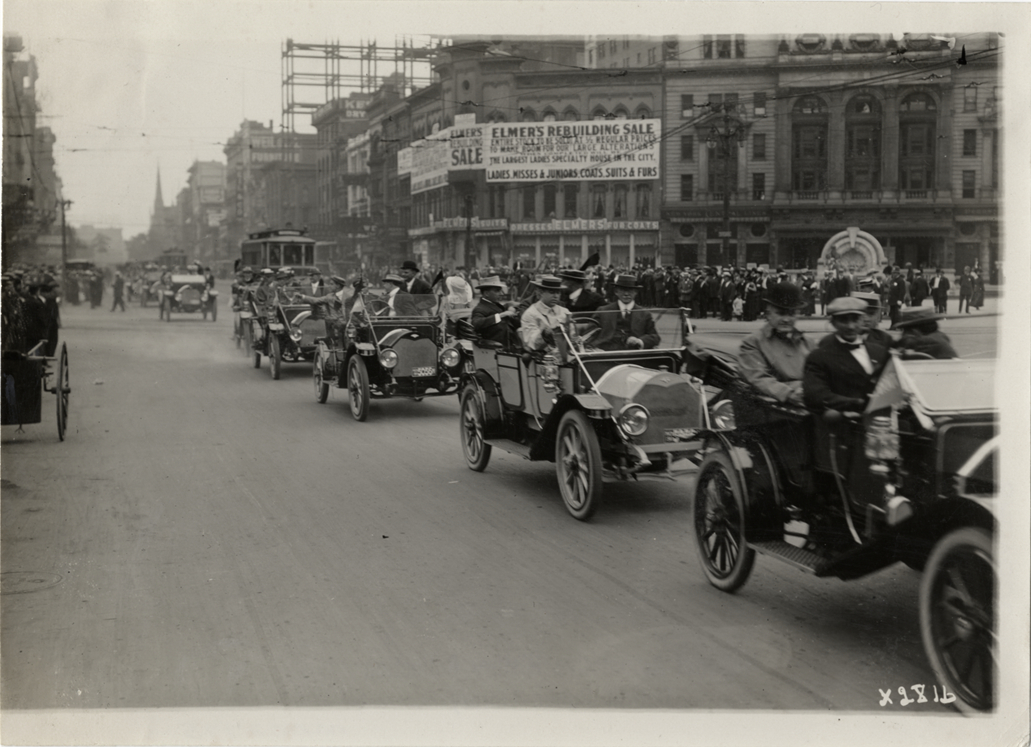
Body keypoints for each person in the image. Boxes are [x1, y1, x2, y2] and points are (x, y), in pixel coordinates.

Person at [803, 296, 891, 413]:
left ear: (862, 320)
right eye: (843, 320)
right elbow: (816, 394)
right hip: (846, 420)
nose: (850, 326)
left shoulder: (878, 351)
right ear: (833, 322)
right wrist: (855, 403)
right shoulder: (819, 356)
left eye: (855, 319)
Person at [738, 282, 813, 407]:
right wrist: (788, 394)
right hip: (781, 407)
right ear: (768, 314)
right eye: (780, 313)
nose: (786, 319)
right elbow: (758, 378)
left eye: (791, 314)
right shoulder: (753, 342)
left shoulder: (807, 342)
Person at [591, 274, 661, 351]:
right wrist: (594, 348)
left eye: (630, 290)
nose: (626, 293)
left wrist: (640, 341)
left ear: (636, 292)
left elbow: (655, 337)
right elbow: (589, 334)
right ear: (616, 291)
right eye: (622, 289)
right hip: (605, 355)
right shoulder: (603, 311)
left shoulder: (644, 314)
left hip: (634, 356)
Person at [520, 276, 573, 351]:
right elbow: (532, 344)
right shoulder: (530, 314)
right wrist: (544, 333)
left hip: (568, 355)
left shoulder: (565, 312)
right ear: (541, 292)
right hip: (543, 357)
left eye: (558, 292)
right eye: (552, 292)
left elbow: (573, 339)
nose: (556, 296)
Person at [471, 276, 521, 348]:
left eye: (500, 290)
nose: (501, 293)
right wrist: (500, 316)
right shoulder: (480, 309)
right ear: (486, 293)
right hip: (497, 350)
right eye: (497, 291)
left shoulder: (494, 304)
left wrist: (511, 307)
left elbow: (506, 306)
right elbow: (476, 323)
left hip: (510, 345)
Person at [893, 307, 958, 359]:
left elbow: (906, 344)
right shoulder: (939, 335)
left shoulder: (926, 341)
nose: (904, 334)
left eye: (906, 330)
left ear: (914, 330)